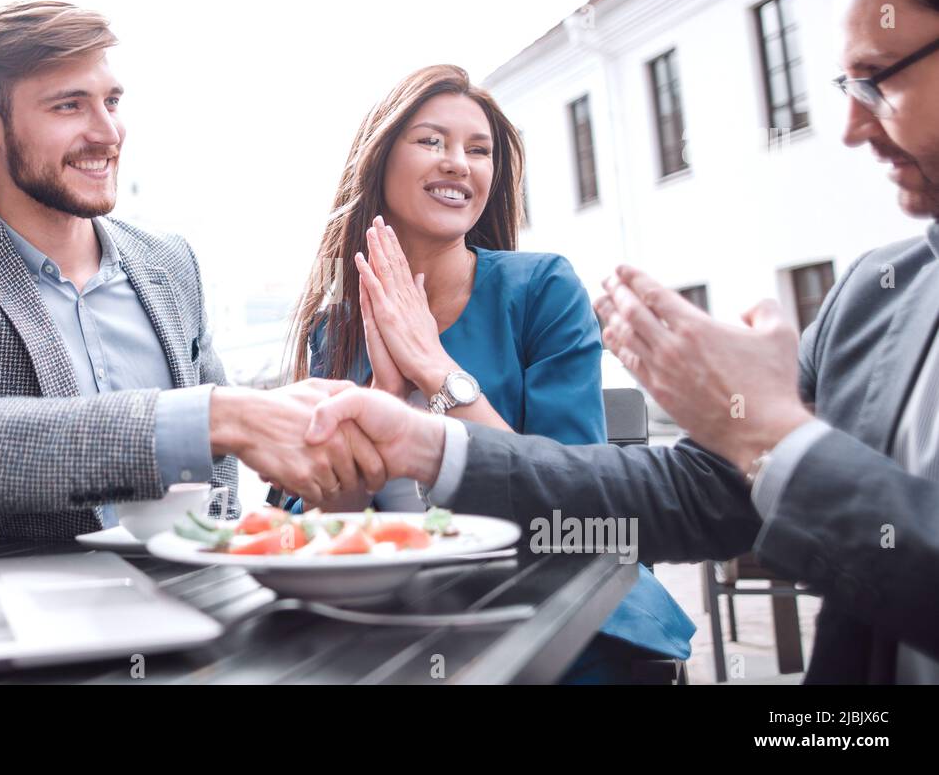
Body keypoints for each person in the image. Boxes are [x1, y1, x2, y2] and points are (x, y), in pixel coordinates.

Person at [298, 0, 939, 684]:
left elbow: (602, 515)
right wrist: (415, 441)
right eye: (849, 86)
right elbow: (702, 493)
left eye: (879, 78)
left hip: (559, 625)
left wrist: (440, 379)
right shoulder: (870, 303)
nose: (850, 125)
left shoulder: (538, 287)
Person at [0, 0, 382, 546]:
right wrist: (212, 418)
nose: (107, 133)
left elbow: (219, 484)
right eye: (69, 106)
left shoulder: (171, 264)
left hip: (177, 598)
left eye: (112, 101)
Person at [287, 64, 693, 681]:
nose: (459, 163)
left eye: (479, 151)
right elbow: (319, 523)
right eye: (432, 141)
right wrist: (382, 403)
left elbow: (573, 503)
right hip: (394, 617)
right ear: (380, 160)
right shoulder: (336, 329)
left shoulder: (543, 288)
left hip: (555, 610)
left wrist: (435, 370)